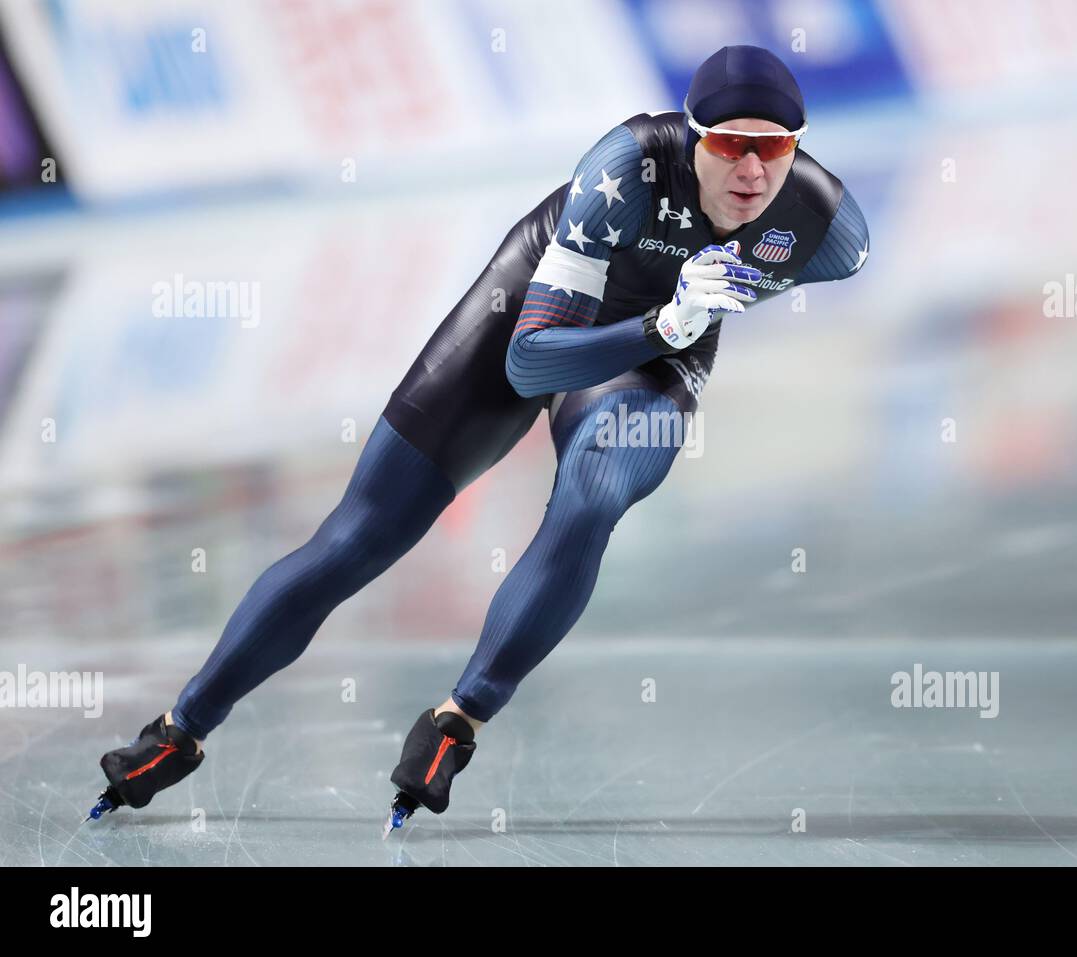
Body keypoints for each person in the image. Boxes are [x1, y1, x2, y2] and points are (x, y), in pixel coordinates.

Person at [88, 45, 870, 830]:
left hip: (659, 351)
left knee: (594, 493)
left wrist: (694, 319)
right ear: (694, 136)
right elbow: (531, 365)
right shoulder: (627, 168)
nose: (753, 170)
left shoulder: (830, 227)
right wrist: (669, 317)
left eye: (774, 147)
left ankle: (460, 717)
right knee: (360, 534)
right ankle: (181, 730)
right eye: (731, 144)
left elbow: (799, 263)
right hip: (534, 309)